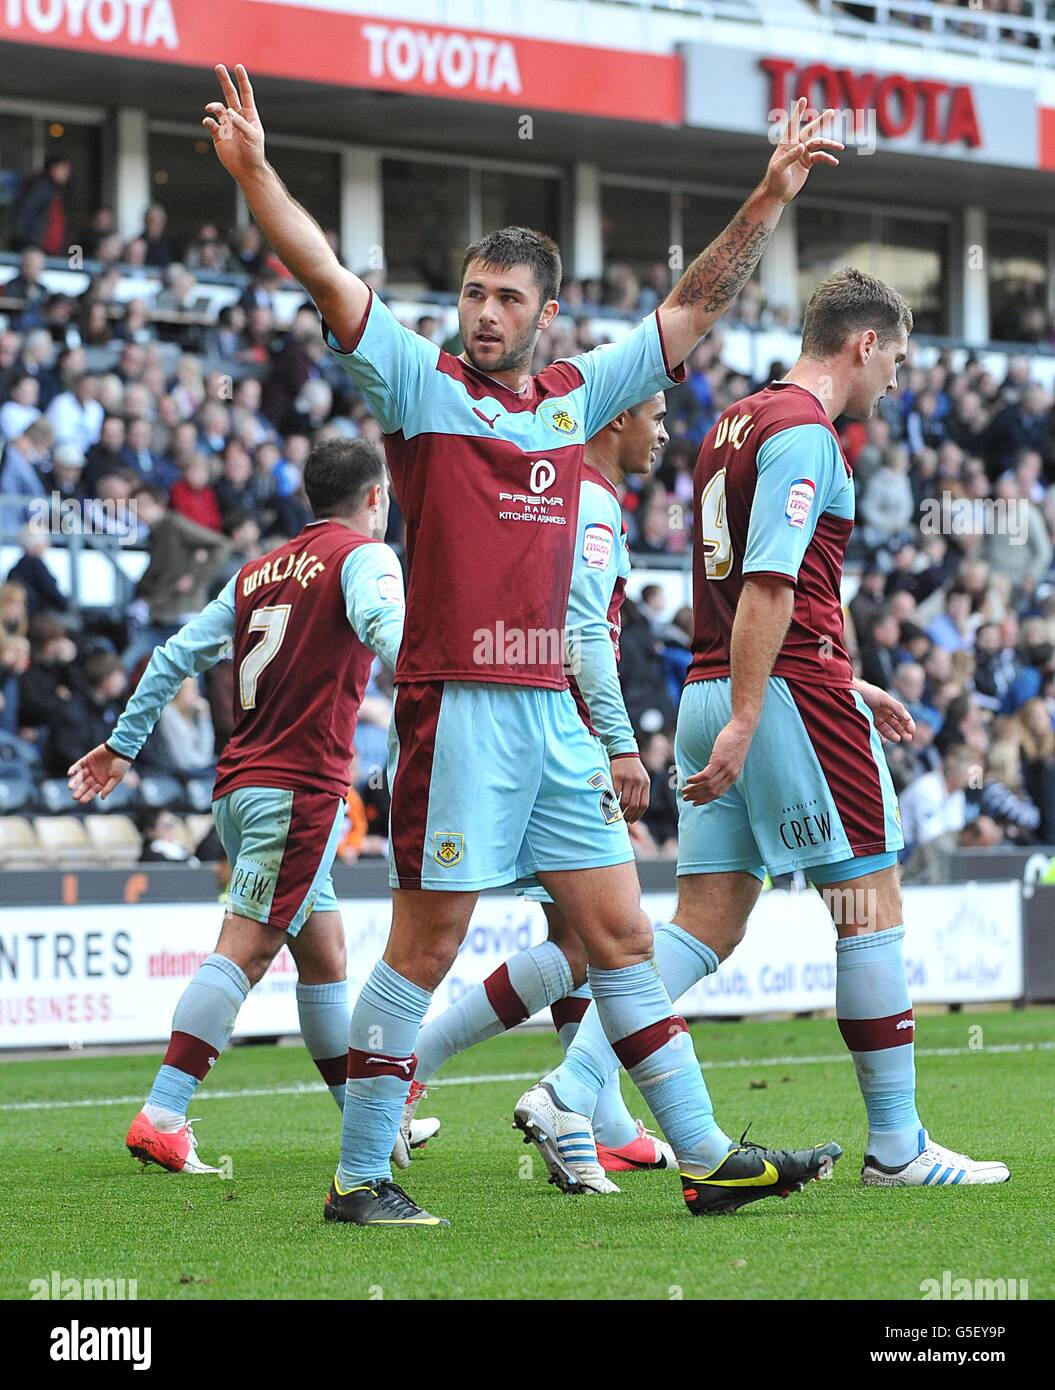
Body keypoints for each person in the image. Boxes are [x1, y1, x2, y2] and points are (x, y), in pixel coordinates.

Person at [204, 63, 844, 1226]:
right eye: (472, 292)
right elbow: (319, 268)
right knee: (428, 939)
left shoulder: (574, 394)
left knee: (618, 931)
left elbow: (692, 308)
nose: (483, 311)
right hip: (457, 708)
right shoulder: (413, 381)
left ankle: (702, 1156)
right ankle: (360, 1177)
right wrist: (256, 175)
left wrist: (765, 196)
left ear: (543, 311)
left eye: (505, 297)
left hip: (551, 710)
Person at [527, 267, 1009, 1196]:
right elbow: (771, 584)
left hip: (722, 680)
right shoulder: (803, 432)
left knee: (706, 923)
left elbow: (763, 586)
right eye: (895, 359)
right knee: (868, 905)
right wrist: (764, 710)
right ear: (862, 343)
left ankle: (569, 1084)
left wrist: (835, 676)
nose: (897, 382)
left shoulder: (731, 424)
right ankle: (898, 1148)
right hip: (774, 695)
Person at [67, 439, 407, 1175]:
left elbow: (169, 657)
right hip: (298, 789)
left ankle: (373, 1124)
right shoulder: (367, 559)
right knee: (246, 948)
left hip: (240, 788)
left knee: (324, 955)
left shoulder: (257, 571)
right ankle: (163, 1112)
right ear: (374, 498)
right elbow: (395, 640)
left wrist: (122, 745)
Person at [397, 396, 676, 1188]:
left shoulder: (572, 492)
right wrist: (618, 744)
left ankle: (599, 1124)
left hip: (538, 727)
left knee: (584, 943)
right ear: (614, 422)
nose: (662, 432)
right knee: (595, 942)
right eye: (655, 415)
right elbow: (582, 632)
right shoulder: (587, 497)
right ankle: (416, 1064)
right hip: (562, 737)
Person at [11, 158, 72, 255]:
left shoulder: (55, 191)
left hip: (48, 249)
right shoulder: (41, 187)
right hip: (35, 248)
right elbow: (25, 212)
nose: (66, 174)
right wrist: (25, 243)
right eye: (64, 169)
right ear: (53, 168)